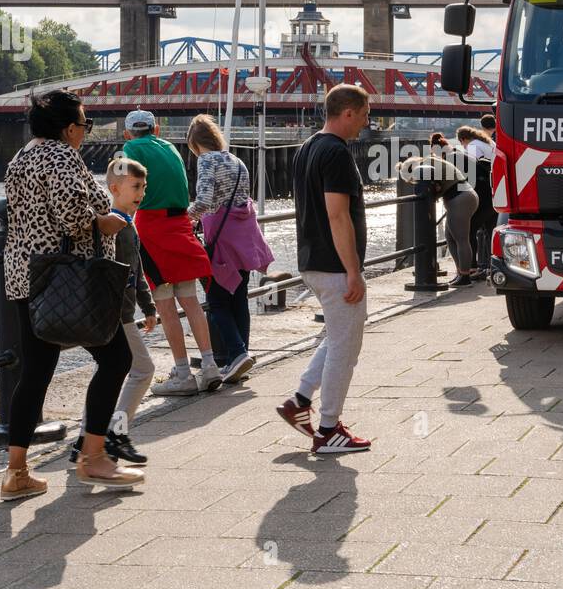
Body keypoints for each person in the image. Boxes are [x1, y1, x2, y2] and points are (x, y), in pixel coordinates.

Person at [1, 91, 143, 500]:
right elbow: (74, 219)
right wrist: (109, 223)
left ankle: (16, 473)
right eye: (85, 125)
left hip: (25, 277)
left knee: (35, 372)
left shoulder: (21, 157)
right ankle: (93, 457)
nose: (85, 132)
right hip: (71, 280)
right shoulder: (61, 157)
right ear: (69, 128)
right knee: (117, 358)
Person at [276, 84, 373, 453]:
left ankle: (299, 402)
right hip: (335, 266)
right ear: (347, 112)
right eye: (364, 115)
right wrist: (353, 270)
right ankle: (329, 429)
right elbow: (337, 214)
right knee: (345, 349)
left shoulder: (308, 147)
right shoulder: (335, 153)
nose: (366, 124)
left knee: (336, 338)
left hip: (312, 260)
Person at [119, 109, 221, 395]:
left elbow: (128, 192)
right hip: (181, 225)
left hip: (153, 229)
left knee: (165, 303)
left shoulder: (129, 148)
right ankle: (210, 366)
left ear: (128, 133)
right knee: (190, 300)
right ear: (157, 129)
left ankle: (183, 374)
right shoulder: (170, 148)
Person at [68, 156, 159, 467]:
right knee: (143, 369)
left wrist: (148, 305)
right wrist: (134, 309)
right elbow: (115, 273)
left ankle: (84, 437)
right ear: (114, 188)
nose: (141, 193)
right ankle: (115, 432)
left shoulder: (127, 225)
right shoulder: (114, 226)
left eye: (144, 187)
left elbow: (137, 268)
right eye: (135, 187)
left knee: (105, 372)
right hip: (116, 314)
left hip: (121, 312)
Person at [186, 114, 274, 384]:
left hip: (222, 241)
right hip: (243, 239)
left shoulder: (206, 160)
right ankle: (241, 358)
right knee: (238, 298)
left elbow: (203, 200)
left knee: (216, 301)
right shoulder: (237, 160)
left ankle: (236, 354)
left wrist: (186, 218)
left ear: (194, 141)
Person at [401, 137, 480, 287]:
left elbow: (432, 190)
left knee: (461, 239)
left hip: (460, 198)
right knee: (451, 238)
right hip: (463, 197)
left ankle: (465, 276)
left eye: (412, 180)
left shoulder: (427, 166)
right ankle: (461, 273)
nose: (414, 182)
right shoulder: (430, 162)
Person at [456, 125, 497, 275]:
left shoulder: (472, 147)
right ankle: (492, 266)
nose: (462, 146)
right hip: (496, 191)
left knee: (470, 229)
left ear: (463, 139)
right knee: (491, 231)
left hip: (483, 192)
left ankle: (472, 267)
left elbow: (470, 171)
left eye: (461, 143)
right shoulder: (488, 143)